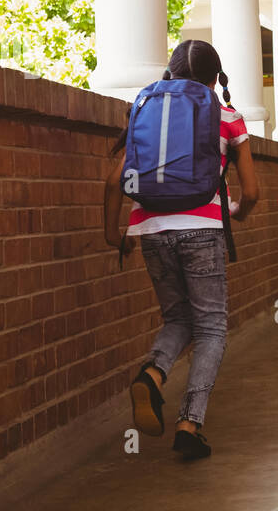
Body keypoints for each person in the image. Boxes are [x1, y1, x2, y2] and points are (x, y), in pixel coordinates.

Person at [102, 39, 259, 461]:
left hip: (150, 228)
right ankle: (190, 423)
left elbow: (114, 181)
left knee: (178, 319)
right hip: (203, 229)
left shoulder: (147, 111)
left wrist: (112, 235)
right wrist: (239, 212)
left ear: (170, 74)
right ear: (215, 78)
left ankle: (152, 375)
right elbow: (254, 190)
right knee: (210, 327)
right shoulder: (227, 116)